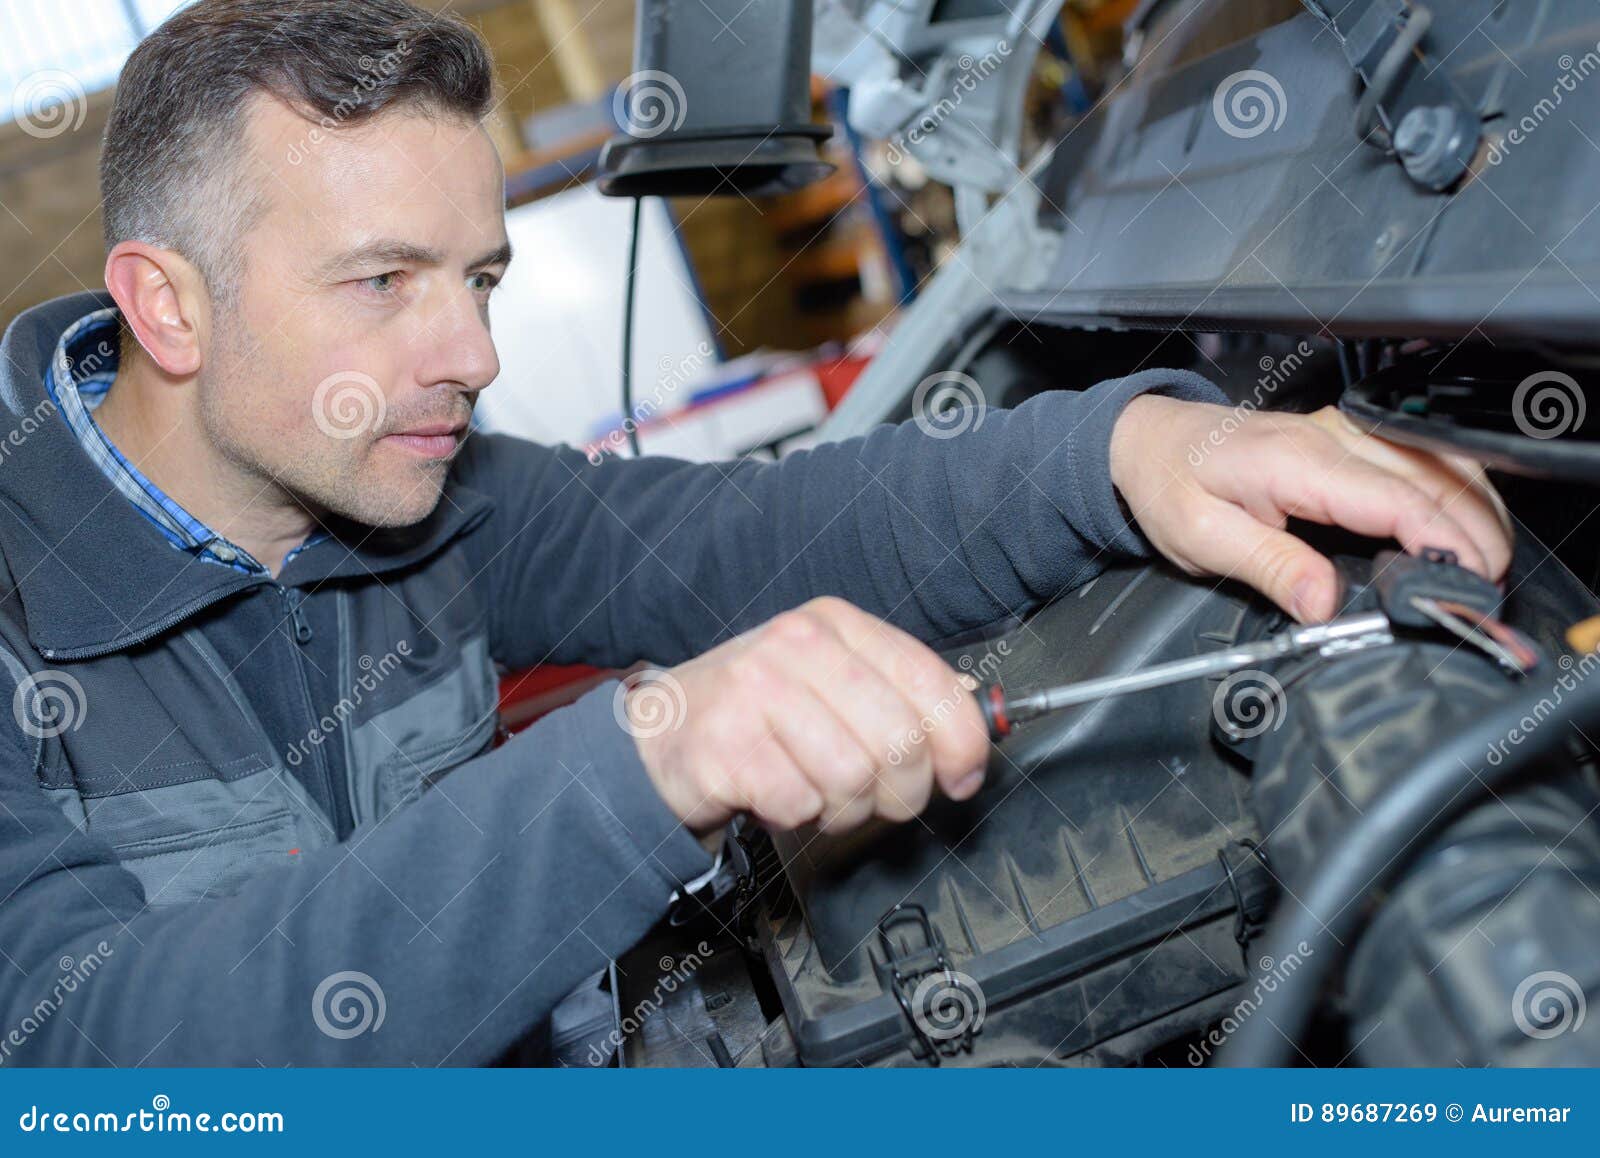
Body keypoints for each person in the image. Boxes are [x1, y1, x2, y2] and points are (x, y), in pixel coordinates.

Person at [0, 0, 1510, 1065]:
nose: (473, 355)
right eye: (385, 282)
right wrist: (648, 757)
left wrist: (1119, 448)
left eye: (483, 279)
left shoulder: (421, 499)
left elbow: (758, 532)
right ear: (166, 306)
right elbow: (89, 1059)